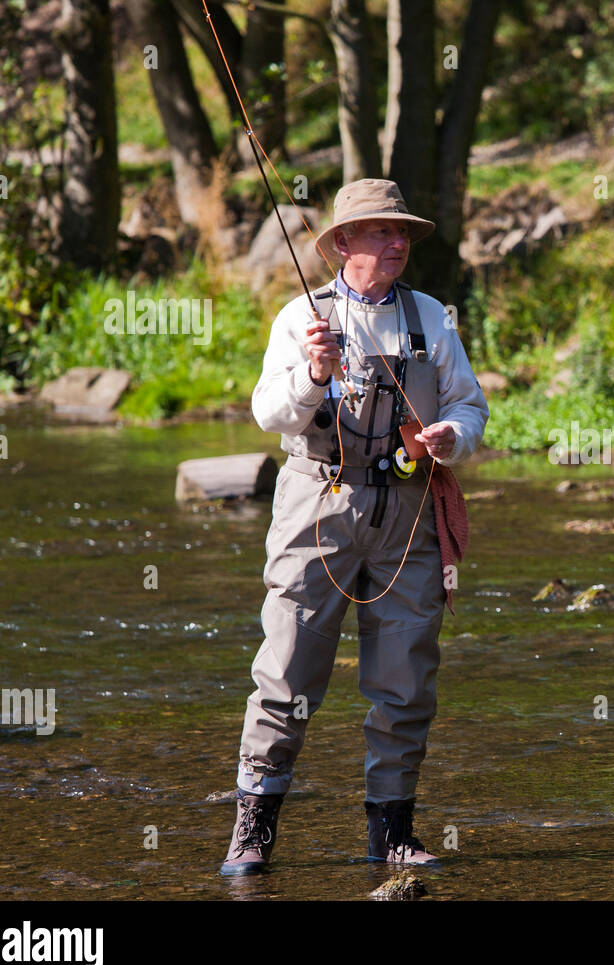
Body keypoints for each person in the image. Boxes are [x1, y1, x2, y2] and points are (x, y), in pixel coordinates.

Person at [221, 178, 489, 875]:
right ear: (343, 243)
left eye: (402, 232)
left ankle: (391, 833)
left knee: (406, 679)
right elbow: (269, 414)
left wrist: (450, 439)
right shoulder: (298, 318)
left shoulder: (434, 317)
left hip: (407, 516)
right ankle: (253, 831)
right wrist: (315, 370)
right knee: (286, 672)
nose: (398, 242)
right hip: (317, 507)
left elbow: (471, 408)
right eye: (381, 232)